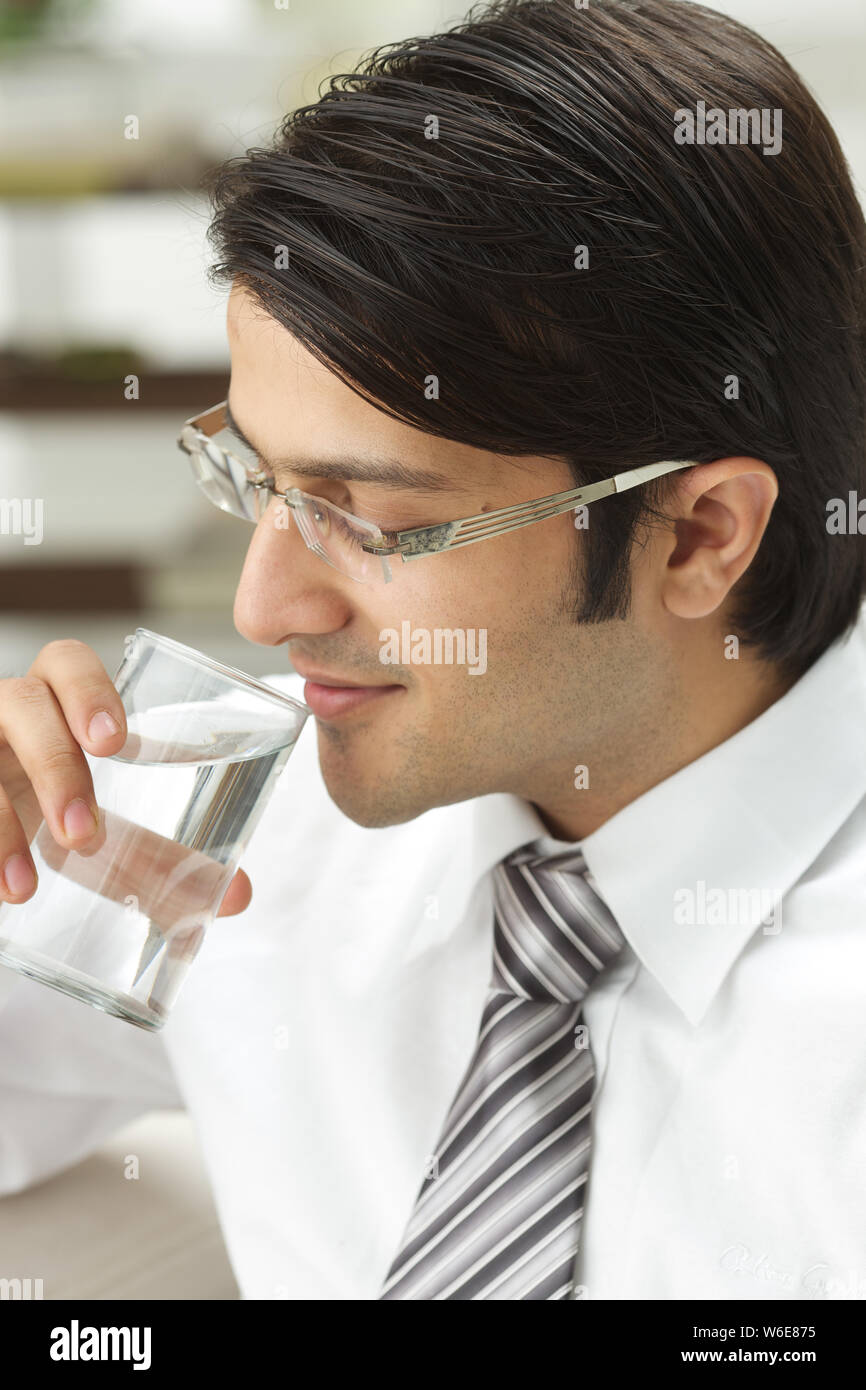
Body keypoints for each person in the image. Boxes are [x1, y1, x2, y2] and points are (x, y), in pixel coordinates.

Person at [1, 0, 864, 1300]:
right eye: (259, 480)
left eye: (370, 518)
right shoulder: (245, 856)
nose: (263, 606)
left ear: (698, 535)